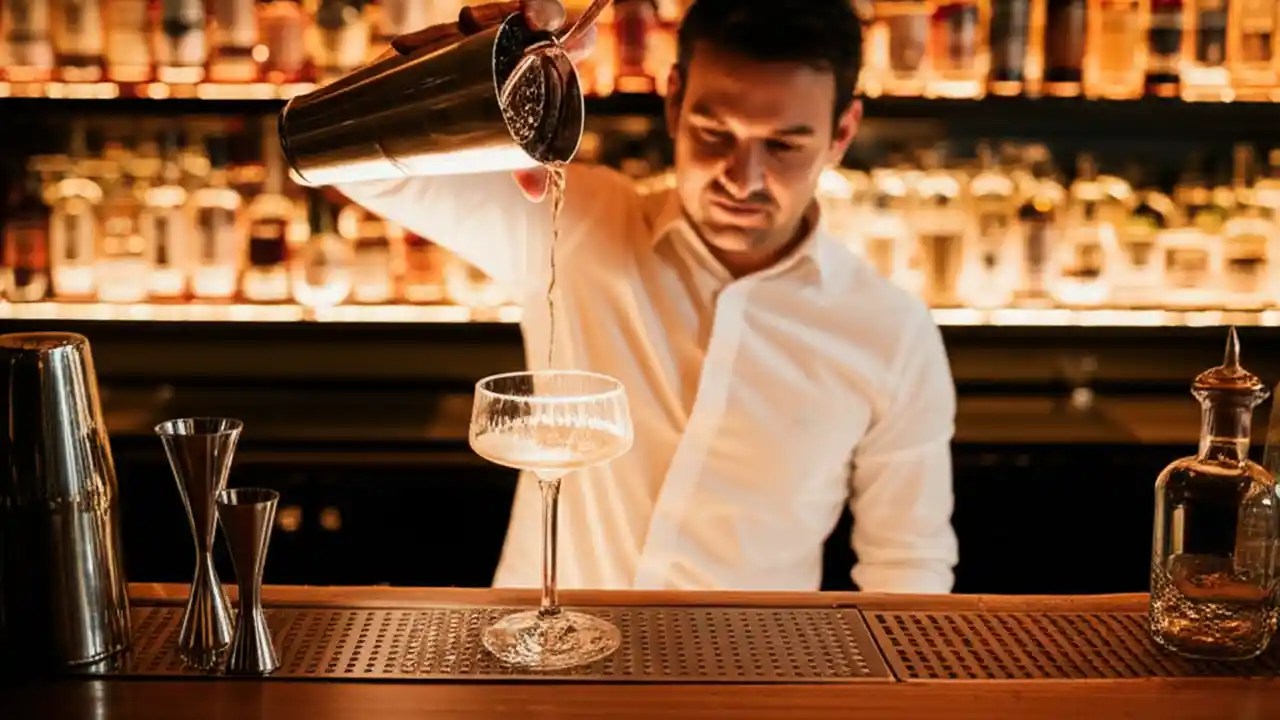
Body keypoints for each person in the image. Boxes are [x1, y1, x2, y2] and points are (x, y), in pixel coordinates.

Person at [338, 0, 959, 593]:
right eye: (714, 132)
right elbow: (342, 154)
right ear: (673, 102)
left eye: (783, 146)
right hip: (540, 680)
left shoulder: (891, 332)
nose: (742, 179)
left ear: (841, 133)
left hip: (752, 693)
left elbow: (909, 566)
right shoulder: (573, 221)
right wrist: (479, 56)